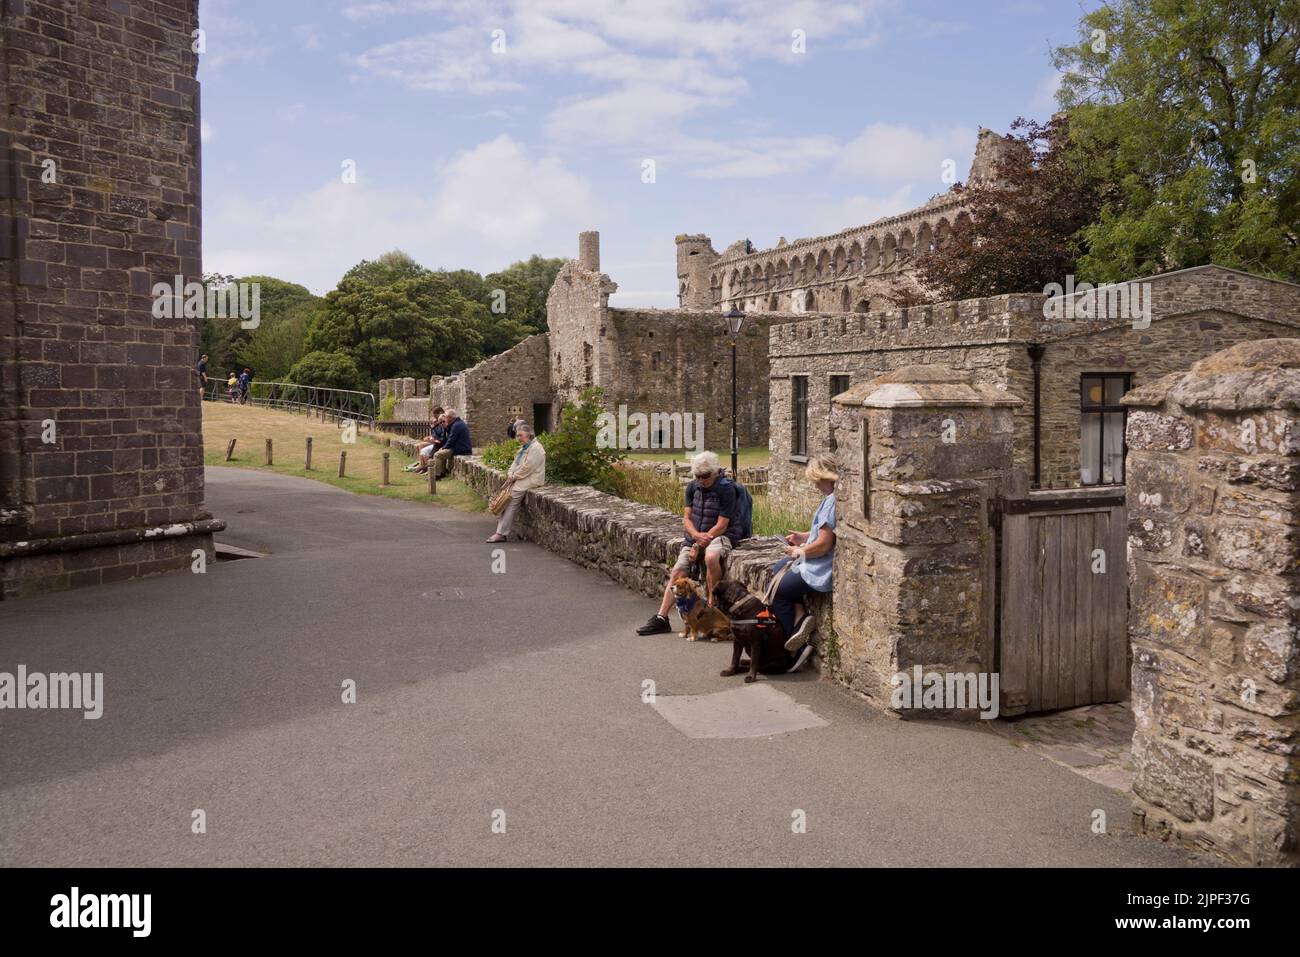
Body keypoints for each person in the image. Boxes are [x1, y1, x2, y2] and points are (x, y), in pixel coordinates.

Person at [636, 451, 741, 636]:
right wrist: (694, 536)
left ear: (715, 472)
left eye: (705, 476)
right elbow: (686, 518)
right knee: (677, 571)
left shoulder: (726, 489)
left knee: (711, 557)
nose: (701, 480)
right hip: (695, 536)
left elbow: (722, 525)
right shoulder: (693, 487)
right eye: (698, 476)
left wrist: (698, 544)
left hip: (720, 535)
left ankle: (711, 604)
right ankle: (662, 618)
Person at [768, 454, 838, 673]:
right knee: (777, 568)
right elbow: (822, 532)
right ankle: (800, 615)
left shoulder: (833, 501)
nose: (816, 485)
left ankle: (796, 646)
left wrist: (800, 551)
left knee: (778, 592)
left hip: (821, 567)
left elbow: (825, 544)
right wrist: (804, 536)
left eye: (817, 480)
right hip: (816, 561)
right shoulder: (832, 498)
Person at [486, 422, 545, 543]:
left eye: (520, 435)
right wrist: (510, 473)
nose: (518, 438)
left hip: (530, 479)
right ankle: (500, 532)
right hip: (520, 478)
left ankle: (500, 534)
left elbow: (528, 468)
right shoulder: (525, 447)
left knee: (509, 504)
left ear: (529, 435)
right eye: (517, 435)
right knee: (504, 503)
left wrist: (513, 476)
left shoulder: (536, 448)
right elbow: (515, 463)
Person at [430, 409, 471, 478]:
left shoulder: (456, 426)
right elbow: (450, 438)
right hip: (460, 447)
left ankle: (436, 475)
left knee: (437, 455)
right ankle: (442, 472)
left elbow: (451, 440)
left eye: (445, 417)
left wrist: (443, 448)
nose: (445, 419)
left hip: (461, 449)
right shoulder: (457, 424)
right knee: (441, 453)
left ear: (449, 417)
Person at [405, 407, 446, 472]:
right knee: (419, 445)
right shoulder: (438, 422)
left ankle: (424, 466)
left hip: (438, 442)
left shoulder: (442, 422)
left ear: (440, 413)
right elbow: (435, 434)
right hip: (436, 441)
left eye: (435, 415)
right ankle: (422, 464)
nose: (434, 417)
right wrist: (430, 436)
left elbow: (439, 435)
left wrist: (432, 437)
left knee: (421, 446)